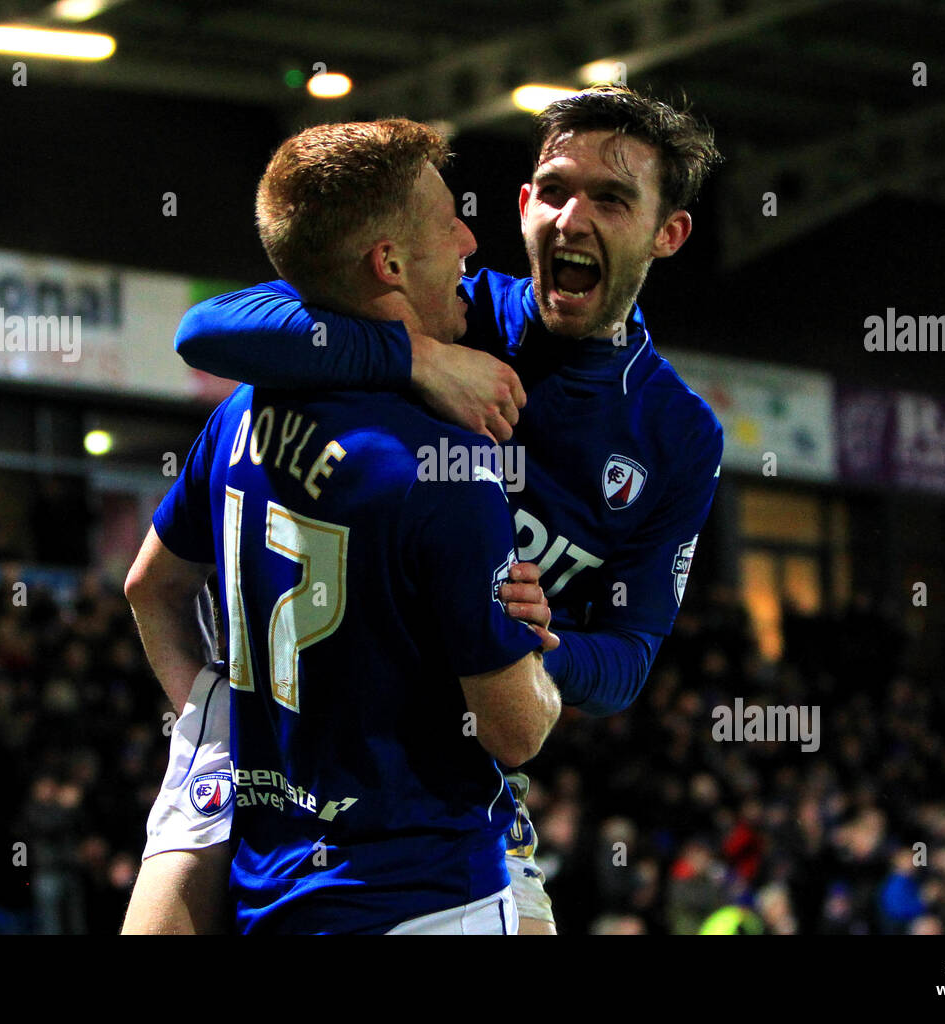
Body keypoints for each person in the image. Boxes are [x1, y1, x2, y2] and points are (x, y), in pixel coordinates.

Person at [170, 86, 725, 933]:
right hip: (293, 759)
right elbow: (208, 331)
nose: (571, 219)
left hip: (462, 789)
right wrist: (416, 357)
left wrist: (541, 644)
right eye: (554, 188)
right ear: (523, 203)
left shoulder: (678, 435)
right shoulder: (456, 307)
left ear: (667, 232)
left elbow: (629, 657)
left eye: (610, 199)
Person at [121, 118, 561, 934]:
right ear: (388, 263)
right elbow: (514, 733)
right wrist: (539, 658)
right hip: (424, 898)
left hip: (268, 893)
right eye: (446, 221)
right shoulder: (451, 470)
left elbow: (149, 586)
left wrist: (216, 732)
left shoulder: (238, 417)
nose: (470, 235)